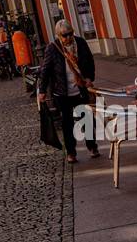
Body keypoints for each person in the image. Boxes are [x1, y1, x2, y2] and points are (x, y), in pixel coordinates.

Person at [36, 19, 98, 163]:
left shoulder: (80, 43)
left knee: (86, 119)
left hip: (80, 88)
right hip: (62, 92)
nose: (68, 38)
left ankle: (92, 146)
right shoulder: (52, 48)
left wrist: (89, 77)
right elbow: (45, 71)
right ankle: (71, 152)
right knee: (67, 123)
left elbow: (90, 61)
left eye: (70, 34)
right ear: (58, 35)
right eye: (64, 35)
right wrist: (42, 91)